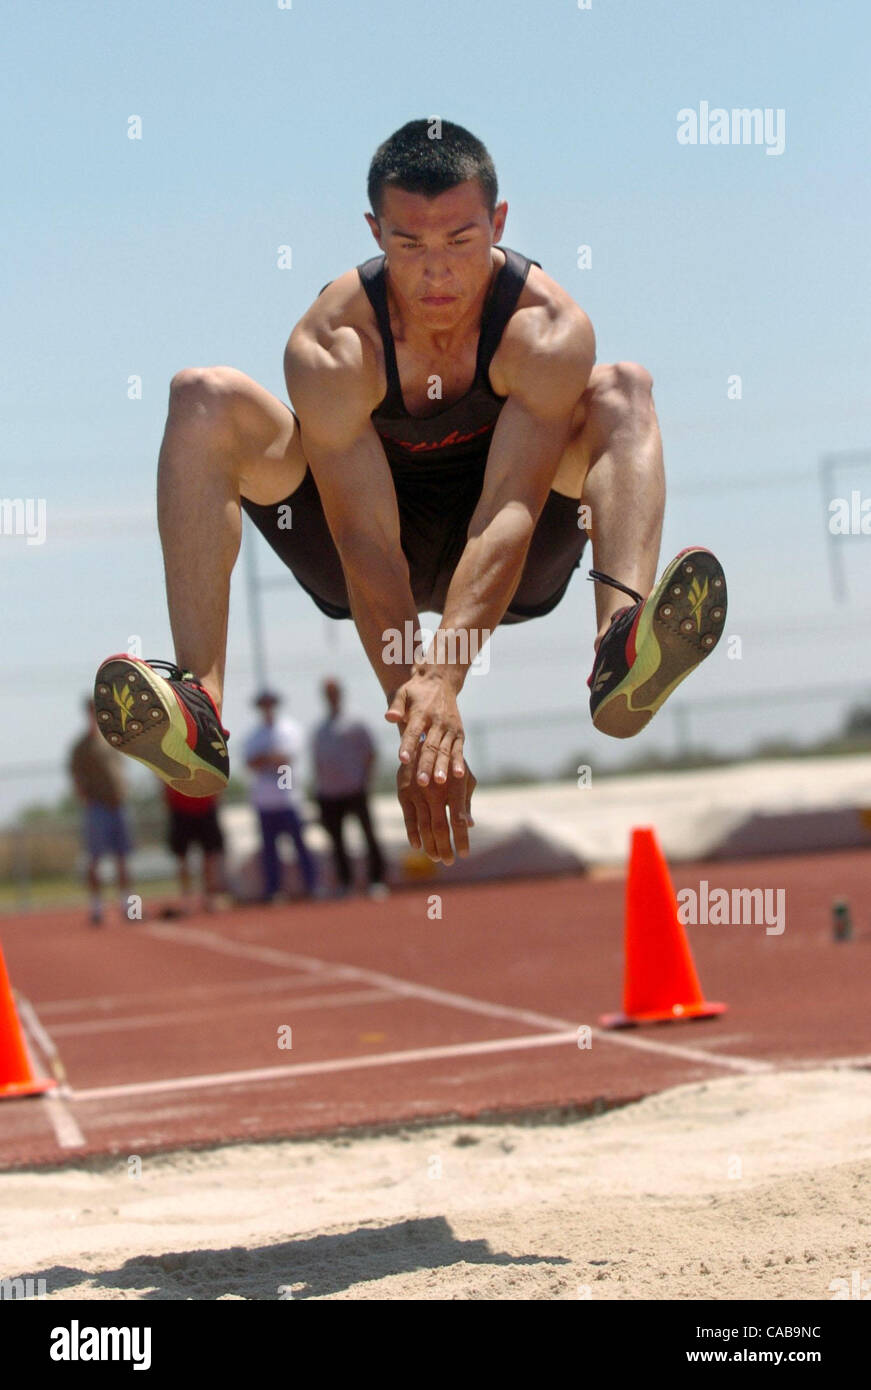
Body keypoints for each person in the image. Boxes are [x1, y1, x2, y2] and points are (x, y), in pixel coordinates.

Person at [92, 118, 728, 870]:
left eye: (460, 243)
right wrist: (421, 719)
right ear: (373, 230)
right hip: (355, 544)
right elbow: (364, 540)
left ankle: (622, 641)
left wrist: (445, 677)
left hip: (503, 555)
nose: (436, 275)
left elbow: (508, 515)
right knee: (202, 397)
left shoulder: (544, 330)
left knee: (623, 388)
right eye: (408, 247)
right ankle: (200, 701)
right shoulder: (332, 346)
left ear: (497, 223)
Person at [313, 678, 388, 898]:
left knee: (368, 835)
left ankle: (376, 880)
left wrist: (366, 781)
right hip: (329, 793)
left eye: (334, 693)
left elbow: (371, 754)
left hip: (355, 789)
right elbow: (317, 761)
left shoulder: (356, 723)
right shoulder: (320, 729)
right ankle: (345, 882)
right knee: (336, 841)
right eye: (327, 694)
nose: (331, 697)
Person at [244, 691, 318, 902]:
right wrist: (269, 758)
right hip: (264, 802)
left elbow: (285, 758)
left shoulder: (289, 729)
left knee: (300, 845)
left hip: (288, 800)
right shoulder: (253, 735)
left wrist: (264, 758)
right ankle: (274, 890)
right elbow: (251, 762)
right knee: (269, 851)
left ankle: (311, 885)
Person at [68, 698, 133, 925]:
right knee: (95, 858)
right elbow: (76, 777)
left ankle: (130, 908)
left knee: (123, 858)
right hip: (98, 808)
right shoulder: (81, 746)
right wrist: (87, 798)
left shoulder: (113, 740)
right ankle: (96, 908)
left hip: (119, 806)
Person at [164, 784, 225, 914]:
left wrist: (217, 799)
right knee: (182, 858)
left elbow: (219, 778)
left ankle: (210, 898)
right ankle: (186, 899)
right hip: (180, 808)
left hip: (206, 807)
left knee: (209, 856)